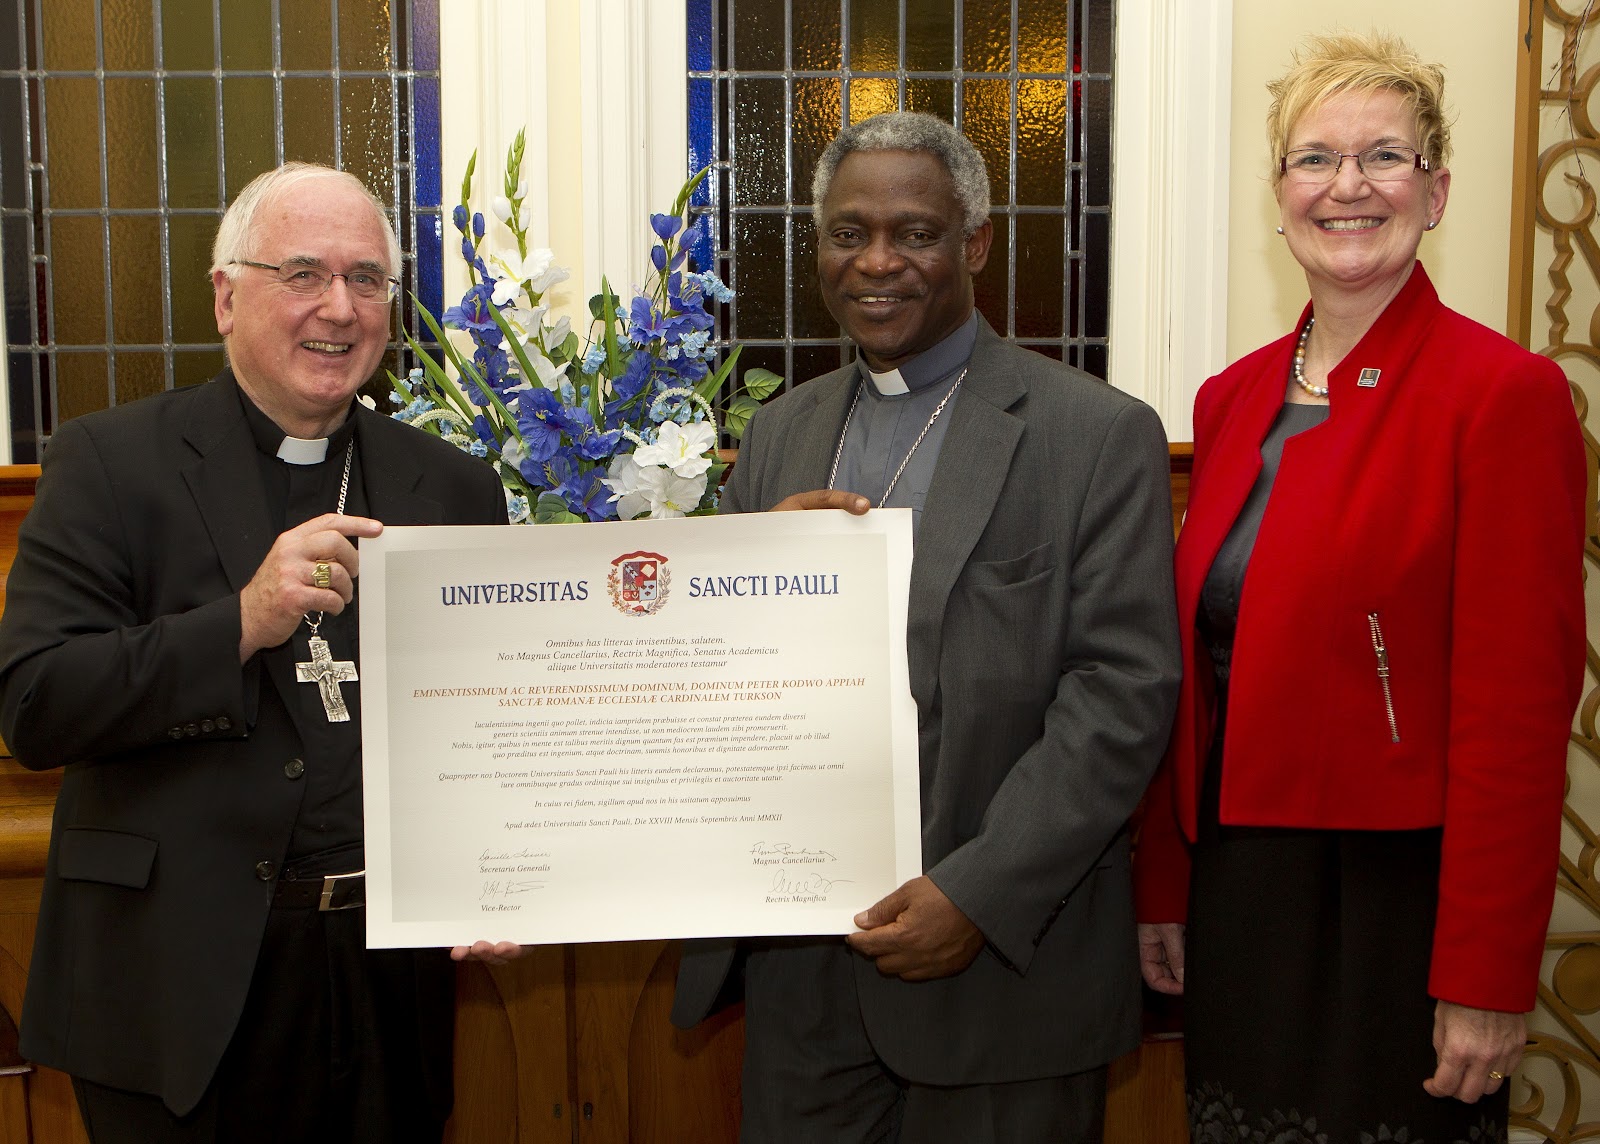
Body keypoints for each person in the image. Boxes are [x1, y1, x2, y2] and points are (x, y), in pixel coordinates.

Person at [672, 111, 1182, 1143]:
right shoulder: (780, 434)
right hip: (805, 986)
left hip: (1001, 979)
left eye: (914, 233)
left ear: (975, 244)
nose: (876, 262)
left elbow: (1120, 695)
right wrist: (745, 566)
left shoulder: (1094, 432)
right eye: (847, 233)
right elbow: (719, 679)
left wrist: (977, 896)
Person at [0, 163, 518, 1142]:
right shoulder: (111, 463)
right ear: (226, 296)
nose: (340, 308)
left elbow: (487, 715)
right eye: (303, 274)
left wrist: (501, 870)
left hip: (385, 980)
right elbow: (37, 704)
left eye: (367, 279)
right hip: (176, 983)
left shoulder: (452, 485)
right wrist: (240, 620)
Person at [1132, 31, 1587, 1142]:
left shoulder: (1504, 396)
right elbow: (1186, 669)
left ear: (1436, 192)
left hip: (1401, 904)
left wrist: (1487, 972)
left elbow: (1516, 716)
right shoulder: (1231, 400)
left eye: (1384, 156)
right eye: (1314, 159)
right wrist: (1163, 883)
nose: (1347, 186)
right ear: (1279, 191)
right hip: (1239, 892)